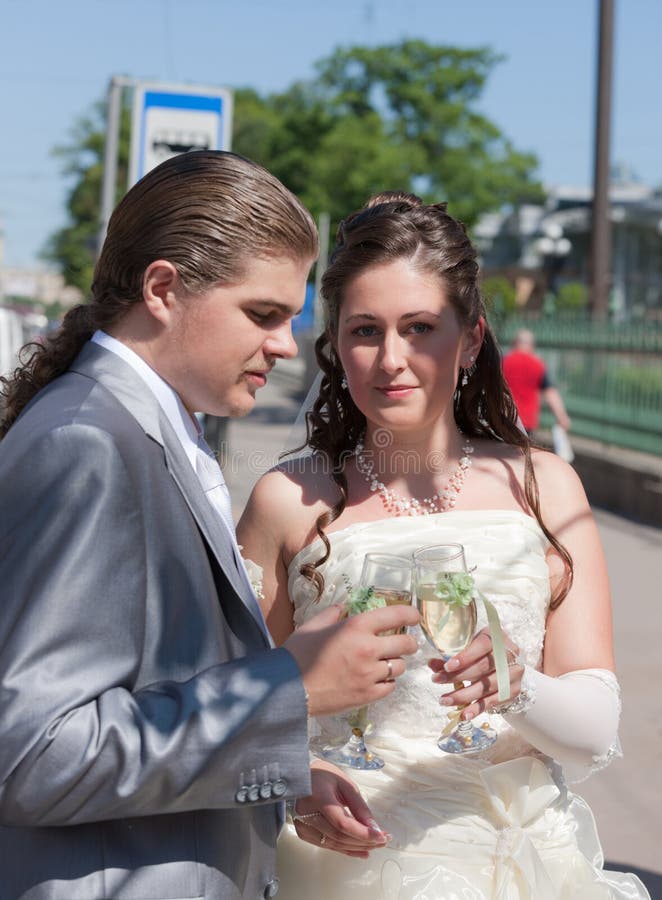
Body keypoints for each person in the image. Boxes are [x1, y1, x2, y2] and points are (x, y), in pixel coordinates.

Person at [0, 153, 419, 900]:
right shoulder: (87, 442)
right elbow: (34, 756)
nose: (290, 344)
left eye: (292, 318)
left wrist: (284, 772)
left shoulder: (154, 428)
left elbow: (153, 689)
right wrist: (288, 690)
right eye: (262, 314)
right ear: (163, 289)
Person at [237, 192, 649, 898]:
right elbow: (237, 704)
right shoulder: (288, 500)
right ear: (336, 344)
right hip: (346, 871)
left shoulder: (545, 487)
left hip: (525, 870)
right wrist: (298, 783)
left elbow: (595, 729)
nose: (390, 359)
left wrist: (519, 684)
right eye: (365, 330)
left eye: (419, 327)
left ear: (468, 340)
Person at [502, 328, 571, 436]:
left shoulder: (504, 361)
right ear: (532, 346)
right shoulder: (538, 365)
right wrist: (562, 417)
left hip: (505, 418)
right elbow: (551, 393)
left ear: (514, 343)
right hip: (527, 422)